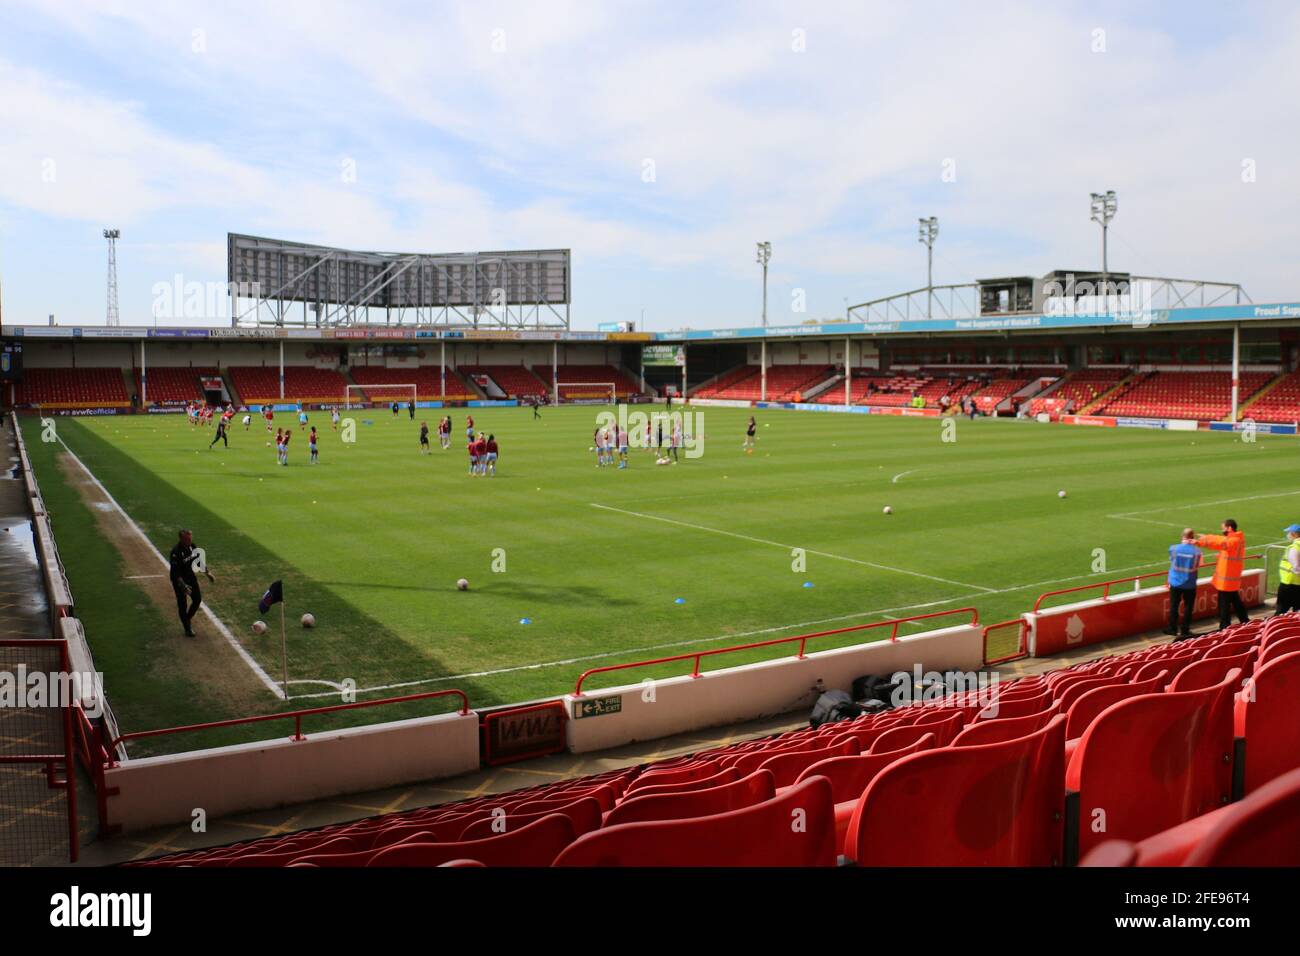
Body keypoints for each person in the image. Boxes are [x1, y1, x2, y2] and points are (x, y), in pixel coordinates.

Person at [1197, 519, 1249, 629]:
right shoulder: (1237, 539)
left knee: (1224, 605)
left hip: (1226, 581)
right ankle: (1245, 621)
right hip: (1231, 579)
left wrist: (1201, 542)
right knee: (1236, 602)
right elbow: (1220, 539)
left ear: (1229, 528)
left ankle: (1225, 626)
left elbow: (1221, 543)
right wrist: (1206, 537)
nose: (1222, 530)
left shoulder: (1233, 541)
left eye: (1223, 528)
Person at [169, 529, 214, 638]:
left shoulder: (192, 546)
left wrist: (207, 573)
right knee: (182, 604)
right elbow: (175, 573)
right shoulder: (176, 552)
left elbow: (198, 561)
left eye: (190, 538)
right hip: (179, 580)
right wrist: (183, 586)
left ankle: (187, 619)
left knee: (197, 599)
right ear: (181, 539)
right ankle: (187, 628)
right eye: (187, 539)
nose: (190, 540)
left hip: (190, 576)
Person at [1166, 528, 1202, 639]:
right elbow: (1197, 566)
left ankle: (1172, 628)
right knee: (1188, 607)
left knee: (1174, 606)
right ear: (1192, 537)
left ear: (1183, 536)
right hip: (1190, 583)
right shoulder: (1197, 552)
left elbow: (1172, 560)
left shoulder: (1174, 548)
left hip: (1175, 582)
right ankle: (1185, 630)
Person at [1275, 524, 1300, 615]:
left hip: (1289, 584)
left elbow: (1296, 567)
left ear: (1295, 534)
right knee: (1297, 613)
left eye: (1289, 533)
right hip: (1296, 584)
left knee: (1280, 612)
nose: (1288, 535)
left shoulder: (1294, 547)